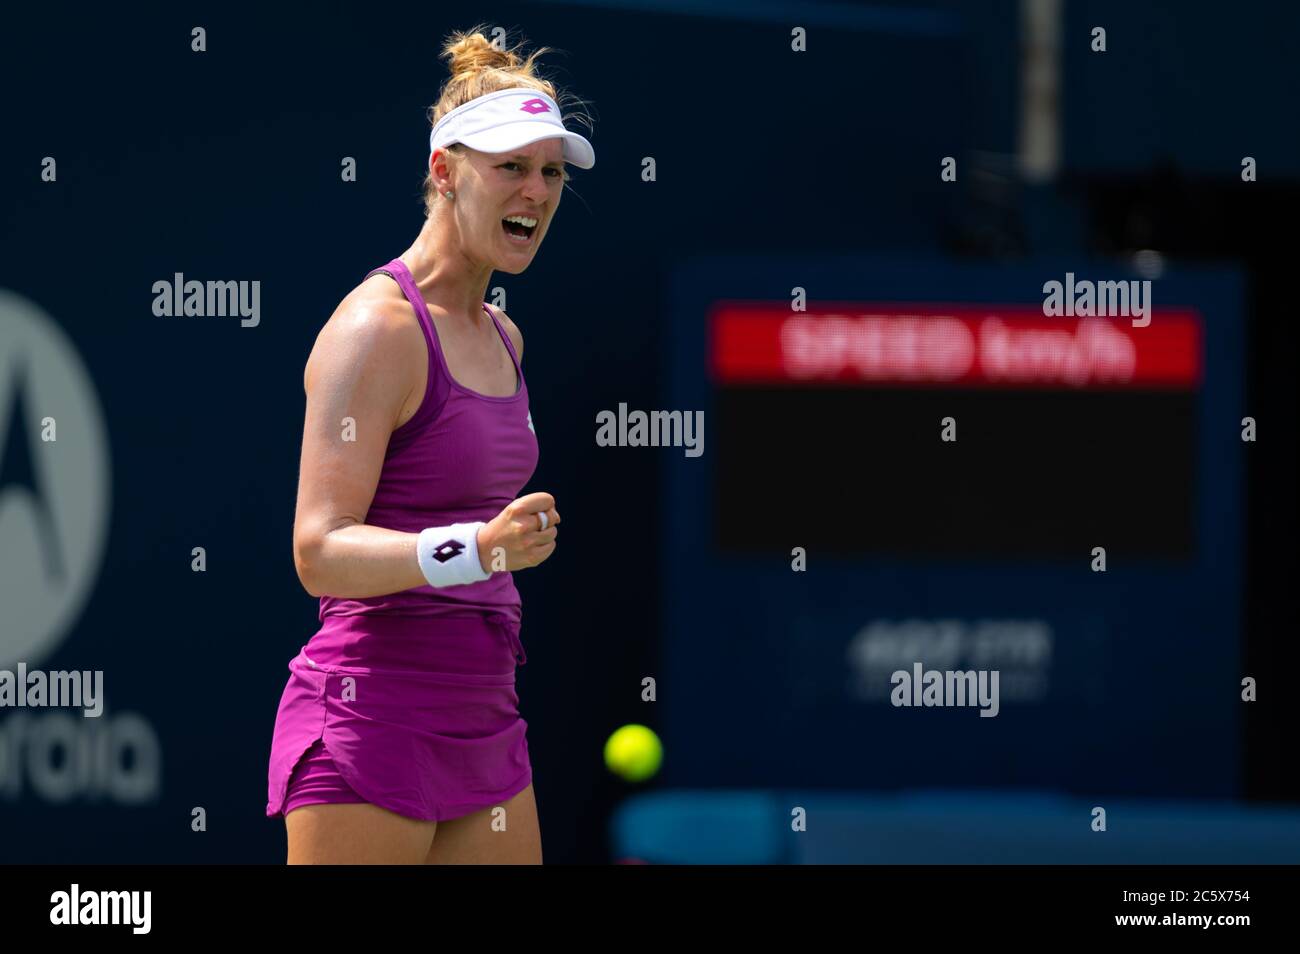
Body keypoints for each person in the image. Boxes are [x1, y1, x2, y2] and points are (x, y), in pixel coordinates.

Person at [264, 24, 595, 864]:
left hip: (485, 718)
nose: (538, 190)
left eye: (551, 171)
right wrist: (477, 549)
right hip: (370, 715)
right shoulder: (375, 329)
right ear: (445, 172)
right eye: (511, 167)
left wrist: (487, 553)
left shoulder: (503, 337)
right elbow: (319, 549)